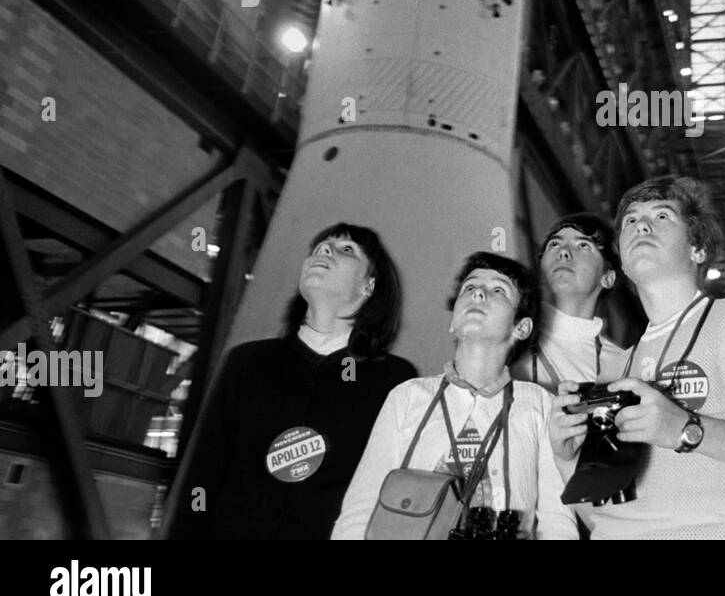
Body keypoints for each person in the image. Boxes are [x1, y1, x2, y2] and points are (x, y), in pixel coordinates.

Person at [549, 175, 725, 539]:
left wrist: (686, 429)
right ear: (620, 261)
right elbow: (603, 520)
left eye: (662, 216)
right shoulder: (616, 370)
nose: (642, 224)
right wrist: (565, 458)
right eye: (631, 220)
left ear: (697, 249)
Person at [170, 222, 417, 539]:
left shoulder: (395, 381)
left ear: (369, 285)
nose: (324, 250)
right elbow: (203, 475)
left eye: (346, 250)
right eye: (318, 248)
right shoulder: (245, 363)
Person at [332, 251, 576, 539]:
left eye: (498, 290)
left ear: (521, 327)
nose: (479, 295)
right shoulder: (407, 396)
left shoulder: (540, 403)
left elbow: (557, 520)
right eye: (469, 288)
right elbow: (360, 508)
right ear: (452, 321)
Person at [513, 212, 626, 392]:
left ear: (607, 277)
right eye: (554, 244)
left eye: (583, 245)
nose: (564, 252)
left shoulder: (621, 366)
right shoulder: (510, 334)